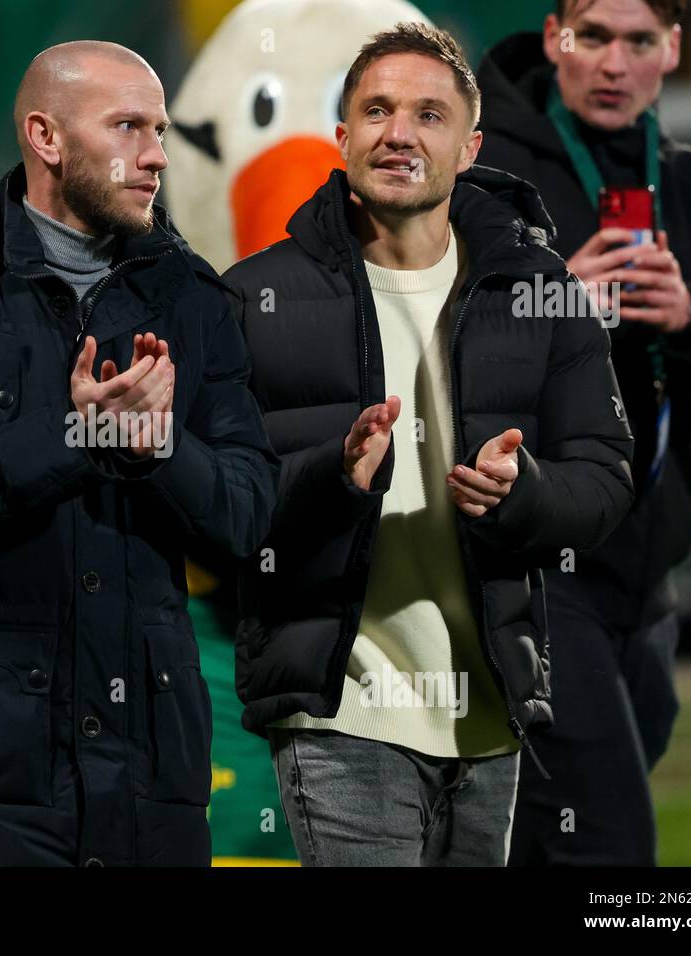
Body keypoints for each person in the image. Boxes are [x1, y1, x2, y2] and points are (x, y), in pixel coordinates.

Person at [0, 40, 278, 867]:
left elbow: (248, 514)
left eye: (159, 129)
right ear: (45, 137)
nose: (156, 154)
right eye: (127, 127)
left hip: (144, 774)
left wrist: (157, 450)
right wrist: (76, 436)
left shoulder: (192, 296)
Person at [226, 22, 635, 866]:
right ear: (341, 138)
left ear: (469, 143)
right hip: (341, 710)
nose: (399, 133)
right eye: (375, 111)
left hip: (490, 715)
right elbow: (216, 505)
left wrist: (524, 496)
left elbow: (604, 473)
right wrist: (330, 479)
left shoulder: (539, 288)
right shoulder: (252, 297)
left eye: (427, 114)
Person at [476, 0, 691, 864]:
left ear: (673, 48)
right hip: (528, 568)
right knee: (606, 849)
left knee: (552, 840)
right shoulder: (479, 175)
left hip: (650, 583)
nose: (614, 64)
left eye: (639, 41)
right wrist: (552, 305)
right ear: (555, 36)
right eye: (593, 37)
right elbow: (428, 353)